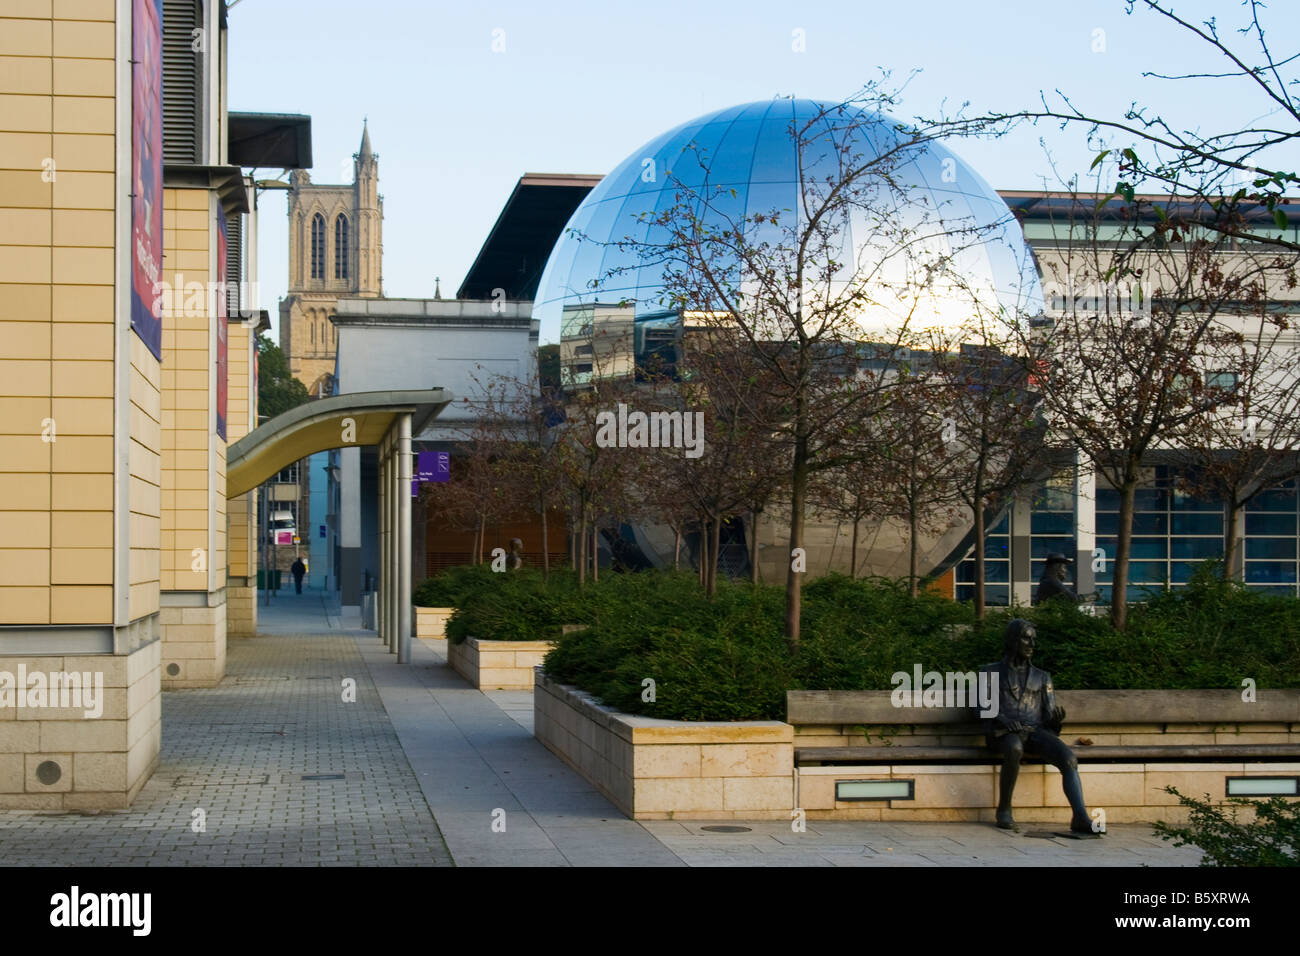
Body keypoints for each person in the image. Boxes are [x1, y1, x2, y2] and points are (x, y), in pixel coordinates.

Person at [977, 619, 1096, 834]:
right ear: (1012, 640)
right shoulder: (989, 672)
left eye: (1033, 639)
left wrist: (1055, 721)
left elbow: (1047, 715)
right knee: (1014, 748)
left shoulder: (1042, 677)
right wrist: (1004, 720)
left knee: (1069, 759)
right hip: (1003, 732)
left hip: (1035, 732)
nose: (1031, 644)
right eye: (1026, 638)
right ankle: (1004, 809)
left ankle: (1080, 817)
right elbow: (982, 707)